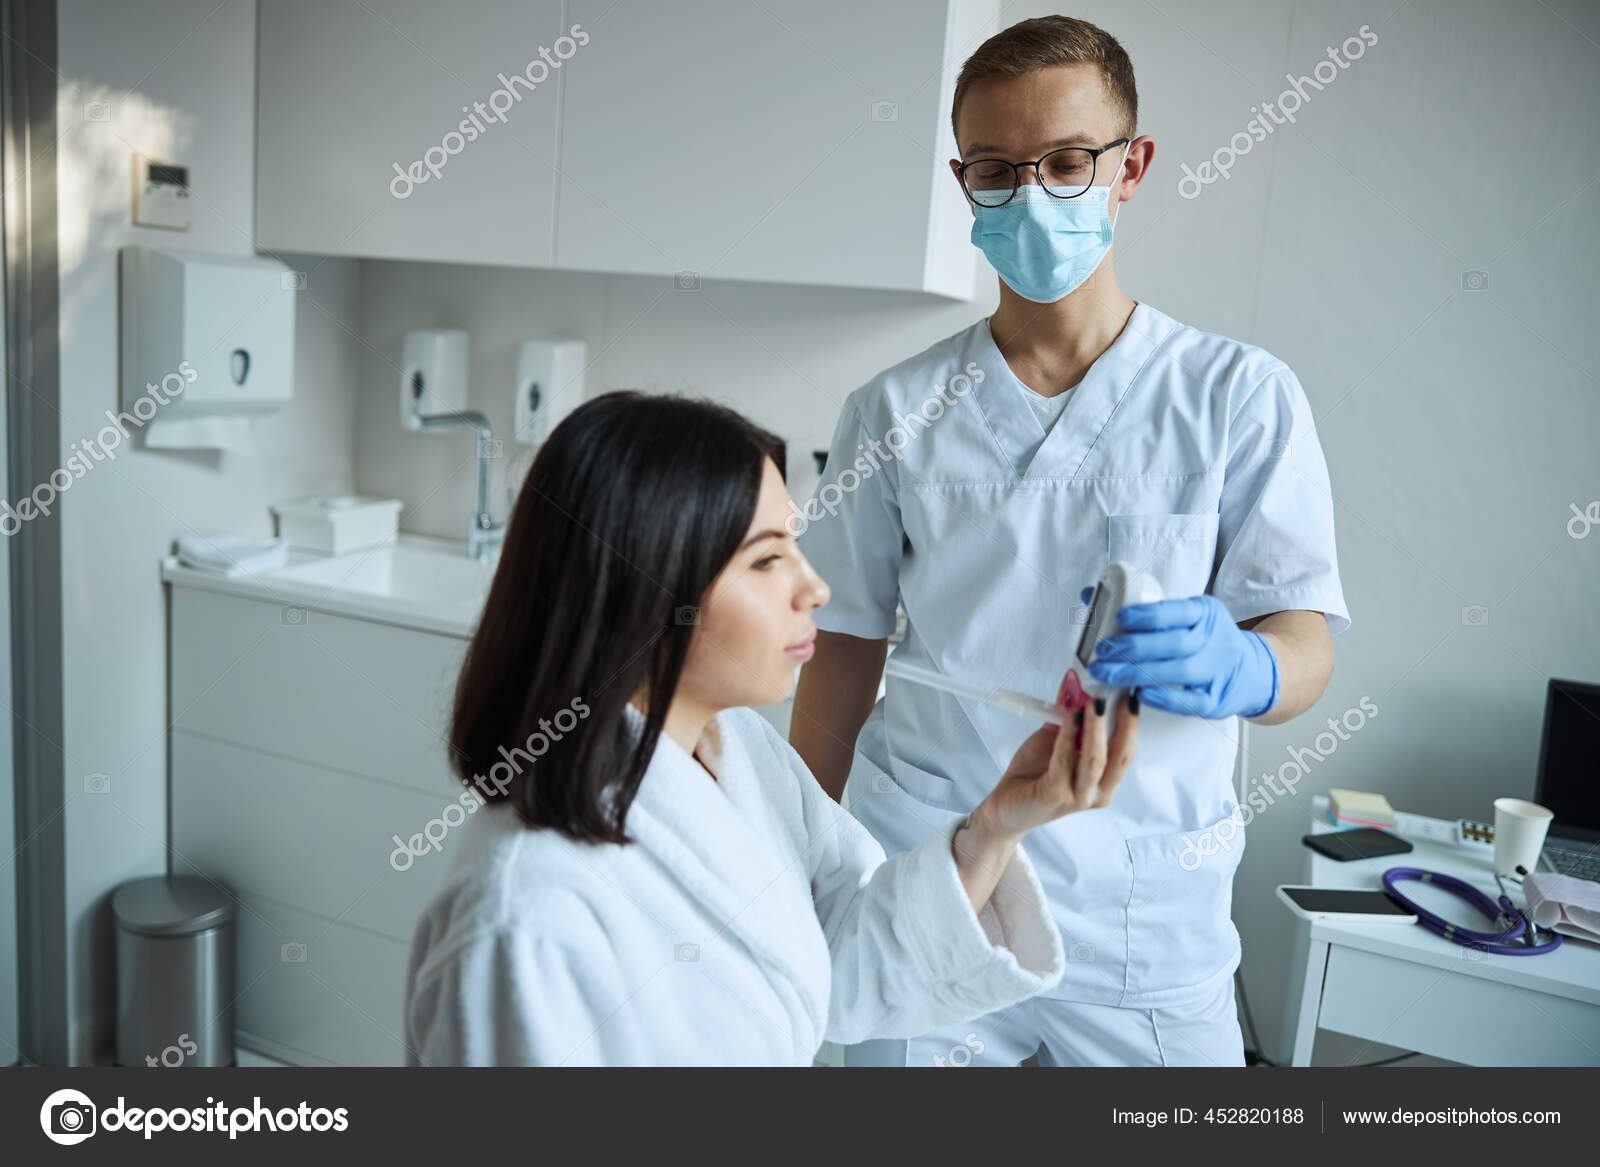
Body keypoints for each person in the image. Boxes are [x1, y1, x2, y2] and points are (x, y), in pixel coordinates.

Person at [790, 15, 1349, 1067]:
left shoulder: (1239, 398)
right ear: (965, 184)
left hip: (1143, 897)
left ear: (1130, 166)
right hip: (933, 862)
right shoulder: (895, 410)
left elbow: (1307, 646)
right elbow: (841, 649)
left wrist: (1251, 664)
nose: (1031, 193)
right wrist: (801, 855)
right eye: (998, 170)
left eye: (1064, 161)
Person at [403, 392, 1140, 1066]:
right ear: (646, 592)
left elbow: (834, 972)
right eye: (766, 560)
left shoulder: (740, 753)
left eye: (797, 544)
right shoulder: (523, 917)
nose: (814, 587)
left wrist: (994, 829)